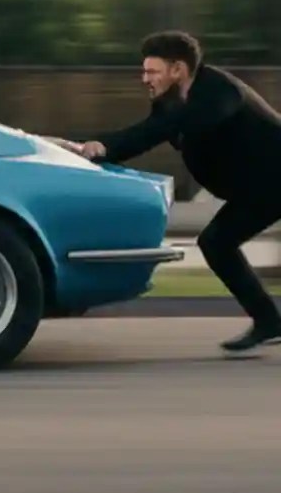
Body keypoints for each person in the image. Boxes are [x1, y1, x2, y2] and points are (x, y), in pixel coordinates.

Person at [56, 30, 281, 353]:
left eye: (152, 71)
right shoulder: (171, 104)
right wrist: (93, 150)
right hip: (259, 190)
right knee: (216, 243)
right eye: (144, 71)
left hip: (273, 180)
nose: (144, 78)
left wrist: (103, 145)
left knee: (217, 242)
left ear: (178, 69)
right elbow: (145, 137)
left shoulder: (219, 91)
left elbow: (173, 127)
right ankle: (269, 321)